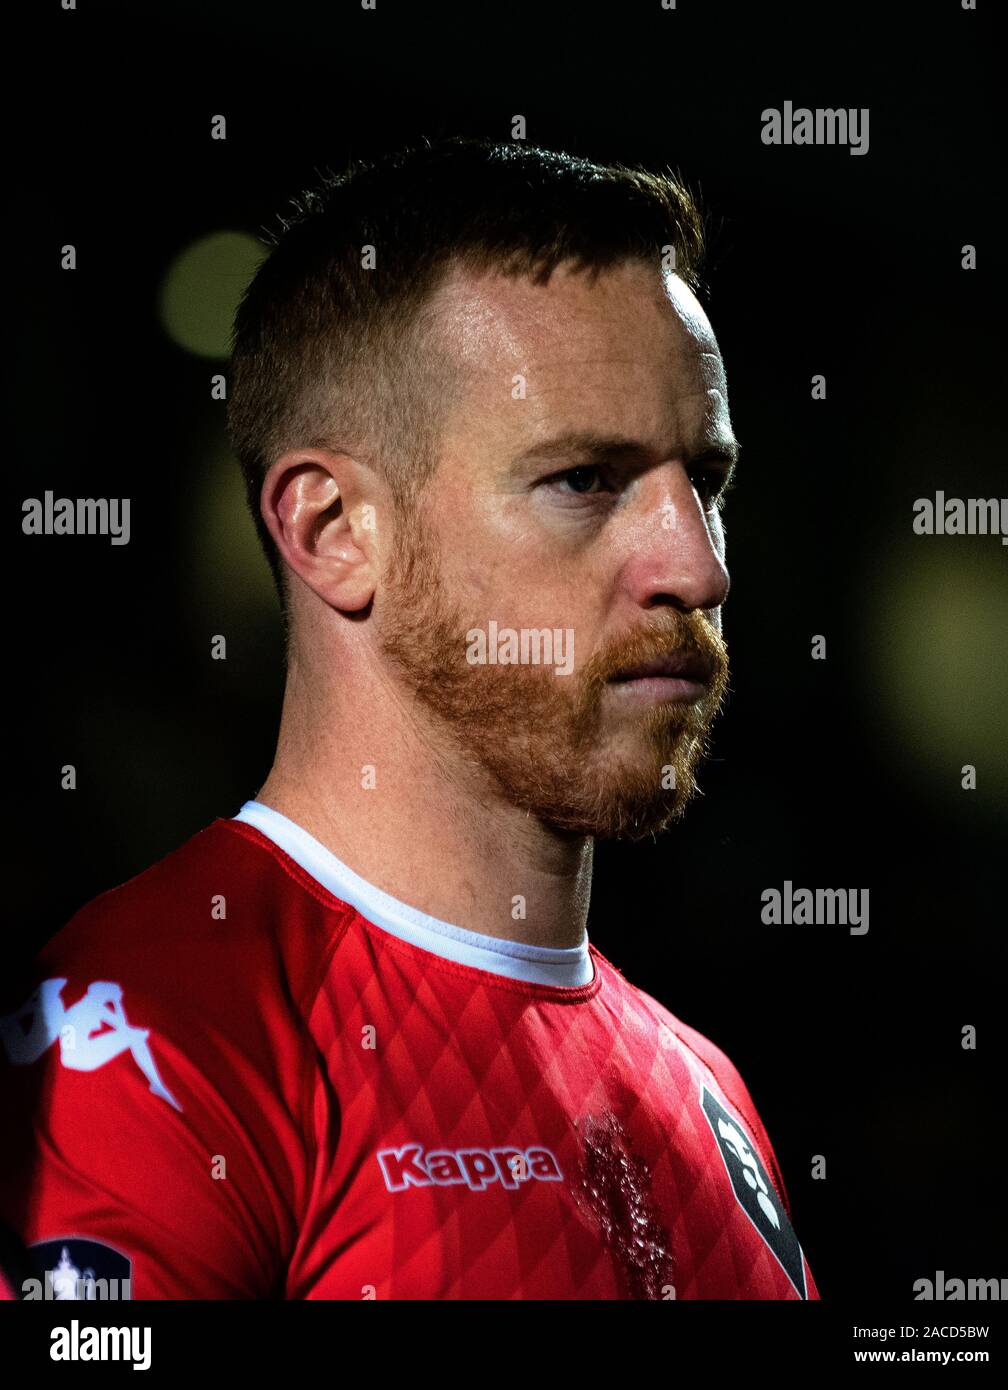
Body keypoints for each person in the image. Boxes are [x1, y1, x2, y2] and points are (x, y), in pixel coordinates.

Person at [0, 136, 819, 1299]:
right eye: (584, 479)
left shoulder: (706, 1088)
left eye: (707, 484)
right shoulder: (145, 1040)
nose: (696, 565)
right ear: (333, 528)